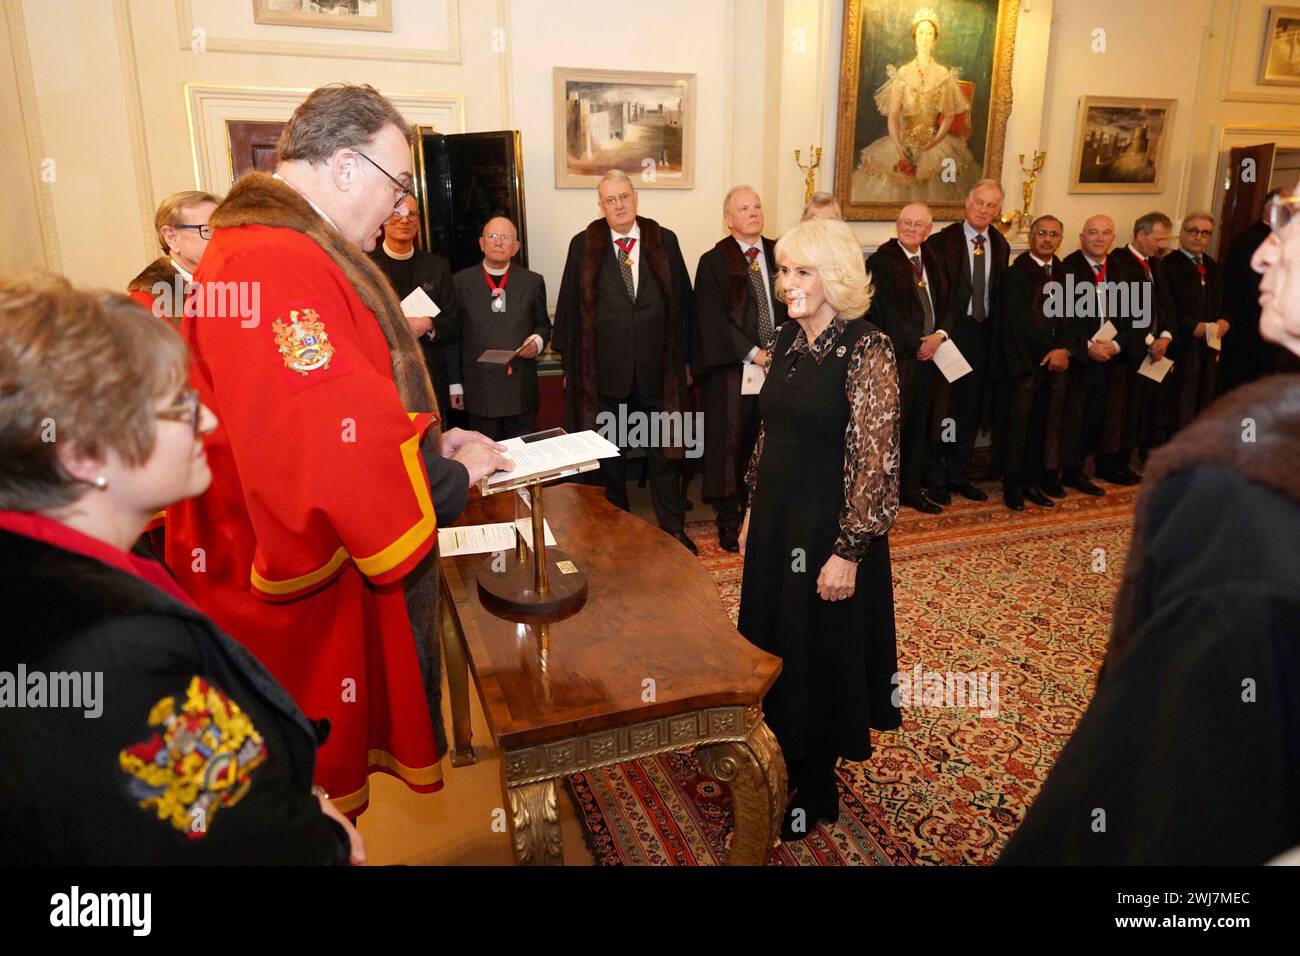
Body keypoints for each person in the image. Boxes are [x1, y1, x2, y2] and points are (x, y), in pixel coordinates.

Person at [166, 84, 511, 816]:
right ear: (348, 168)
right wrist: (445, 479)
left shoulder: (267, 250)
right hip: (282, 595)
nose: (398, 209)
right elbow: (325, 447)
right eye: (395, 186)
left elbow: (347, 405)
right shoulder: (274, 265)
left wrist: (425, 437)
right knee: (295, 814)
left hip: (262, 562)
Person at [0, 277, 362, 865]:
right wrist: (326, 839)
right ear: (83, 455)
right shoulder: (107, 649)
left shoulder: (65, 563)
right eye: (179, 406)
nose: (210, 425)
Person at [998, 189, 1300, 864]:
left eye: (1290, 226)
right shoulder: (1256, 430)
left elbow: (1175, 734)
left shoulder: (1242, 471)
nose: (1263, 252)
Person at [737, 217, 901, 842]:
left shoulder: (868, 348)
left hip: (829, 531)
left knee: (818, 650)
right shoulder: (783, 340)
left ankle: (813, 783)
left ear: (834, 277)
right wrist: (753, 509)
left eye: (801, 271)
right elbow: (767, 433)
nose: (787, 283)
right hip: (778, 520)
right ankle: (778, 754)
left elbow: (875, 458)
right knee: (776, 641)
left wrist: (849, 550)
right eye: (783, 271)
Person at [553, 169, 697, 553]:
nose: (618, 205)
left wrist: (686, 362)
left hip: (658, 371)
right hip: (605, 375)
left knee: (664, 453)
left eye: (624, 197)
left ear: (636, 198)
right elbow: (569, 306)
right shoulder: (583, 244)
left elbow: (684, 305)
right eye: (610, 199)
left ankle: (673, 529)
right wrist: (571, 366)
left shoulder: (663, 240)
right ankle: (616, 533)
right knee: (607, 458)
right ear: (601, 205)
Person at [693, 186, 786, 551]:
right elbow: (711, 319)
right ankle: (729, 520)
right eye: (744, 208)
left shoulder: (781, 253)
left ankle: (763, 514)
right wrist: (754, 353)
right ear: (728, 219)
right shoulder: (714, 261)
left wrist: (778, 351)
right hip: (733, 370)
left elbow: (794, 301)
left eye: (758, 206)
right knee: (730, 446)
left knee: (770, 442)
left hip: (779, 368)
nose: (753, 212)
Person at [923, 179, 1010, 503]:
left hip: (983, 337)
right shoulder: (941, 242)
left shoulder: (1000, 244)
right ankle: (935, 479)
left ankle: (960, 475)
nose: (984, 210)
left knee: (970, 411)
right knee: (943, 410)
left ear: (998, 210)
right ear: (967, 203)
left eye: (992, 205)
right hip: (948, 336)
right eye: (979, 203)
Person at [866, 201, 948, 513]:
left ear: (928, 231)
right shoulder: (882, 261)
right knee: (892, 430)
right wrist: (917, 342)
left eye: (918, 225)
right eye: (906, 223)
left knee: (920, 426)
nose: (911, 229)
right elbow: (885, 310)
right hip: (900, 359)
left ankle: (911, 488)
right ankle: (883, 495)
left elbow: (951, 301)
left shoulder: (934, 259)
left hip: (933, 355)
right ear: (897, 225)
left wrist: (940, 336)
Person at [850, 8, 979, 204]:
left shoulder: (943, 74)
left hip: (935, 142)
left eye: (929, 33)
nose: (924, 38)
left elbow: (949, 115)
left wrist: (934, 142)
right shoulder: (903, 72)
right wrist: (898, 144)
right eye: (920, 32)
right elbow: (893, 115)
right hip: (903, 140)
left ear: (935, 40)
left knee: (942, 181)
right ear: (914, 37)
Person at [994, 215, 1073, 511]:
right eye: (1042, 233)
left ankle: (1033, 482)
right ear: (1031, 238)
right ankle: (1012, 485)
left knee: (1044, 425)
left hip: (1057, 365)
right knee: (1018, 426)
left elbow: (1077, 318)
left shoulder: (1066, 274)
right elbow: (1019, 322)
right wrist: (1049, 351)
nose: (1048, 239)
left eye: (1054, 234)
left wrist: (1065, 349)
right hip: (1024, 363)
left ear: (1060, 239)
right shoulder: (1014, 274)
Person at [449, 217, 550, 440]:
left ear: (515, 248)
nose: (498, 243)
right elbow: (453, 338)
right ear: (481, 243)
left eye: (505, 238)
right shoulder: (460, 282)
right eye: (492, 237)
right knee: (484, 456)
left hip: (520, 387)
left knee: (524, 457)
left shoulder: (532, 282)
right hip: (479, 388)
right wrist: (455, 384)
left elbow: (543, 325)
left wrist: (537, 342)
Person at [1096, 211, 1174, 483]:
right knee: (1120, 411)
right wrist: (1149, 341)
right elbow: (1124, 313)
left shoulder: (1158, 264)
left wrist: (1164, 336)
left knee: (1142, 410)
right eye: (1158, 238)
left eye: (1165, 239)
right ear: (1141, 235)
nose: (1162, 244)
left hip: (1153, 349)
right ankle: (1111, 463)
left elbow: (1166, 306)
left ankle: (1129, 459)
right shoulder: (1119, 262)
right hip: (1127, 351)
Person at [369, 194, 461, 424]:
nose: (405, 220)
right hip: (384, 376)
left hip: (430, 376)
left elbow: (453, 323)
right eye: (397, 214)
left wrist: (428, 324)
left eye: (412, 214)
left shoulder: (437, 267)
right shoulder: (367, 265)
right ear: (383, 219)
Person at [1055, 215, 1122, 497]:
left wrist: (1116, 346)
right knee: (1075, 416)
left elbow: (1137, 318)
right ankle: (1071, 471)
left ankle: (1097, 463)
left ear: (1112, 239)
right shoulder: (1066, 269)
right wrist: (1086, 347)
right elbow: (1059, 319)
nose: (1099, 238)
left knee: (1102, 414)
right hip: (1080, 359)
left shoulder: (1122, 269)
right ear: (1082, 237)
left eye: (1105, 233)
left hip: (1113, 356)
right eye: (1093, 233)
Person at [1163, 212, 1227, 431]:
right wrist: (1192, 327)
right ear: (1181, 234)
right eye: (1193, 231)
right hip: (1181, 345)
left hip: (1209, 345)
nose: (1199, 237)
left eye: (1205, 233)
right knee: (1179, 402)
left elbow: (1225, 302)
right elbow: (1166, 307)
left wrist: (1224, 320)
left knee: (1205, 396)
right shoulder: (1168, 265)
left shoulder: (1213, 266)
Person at [127, 190, 218, 325]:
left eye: (222, 230)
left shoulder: (235, 285)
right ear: (171, 238)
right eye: (207, 230)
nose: (219, 239)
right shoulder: (146, 304)